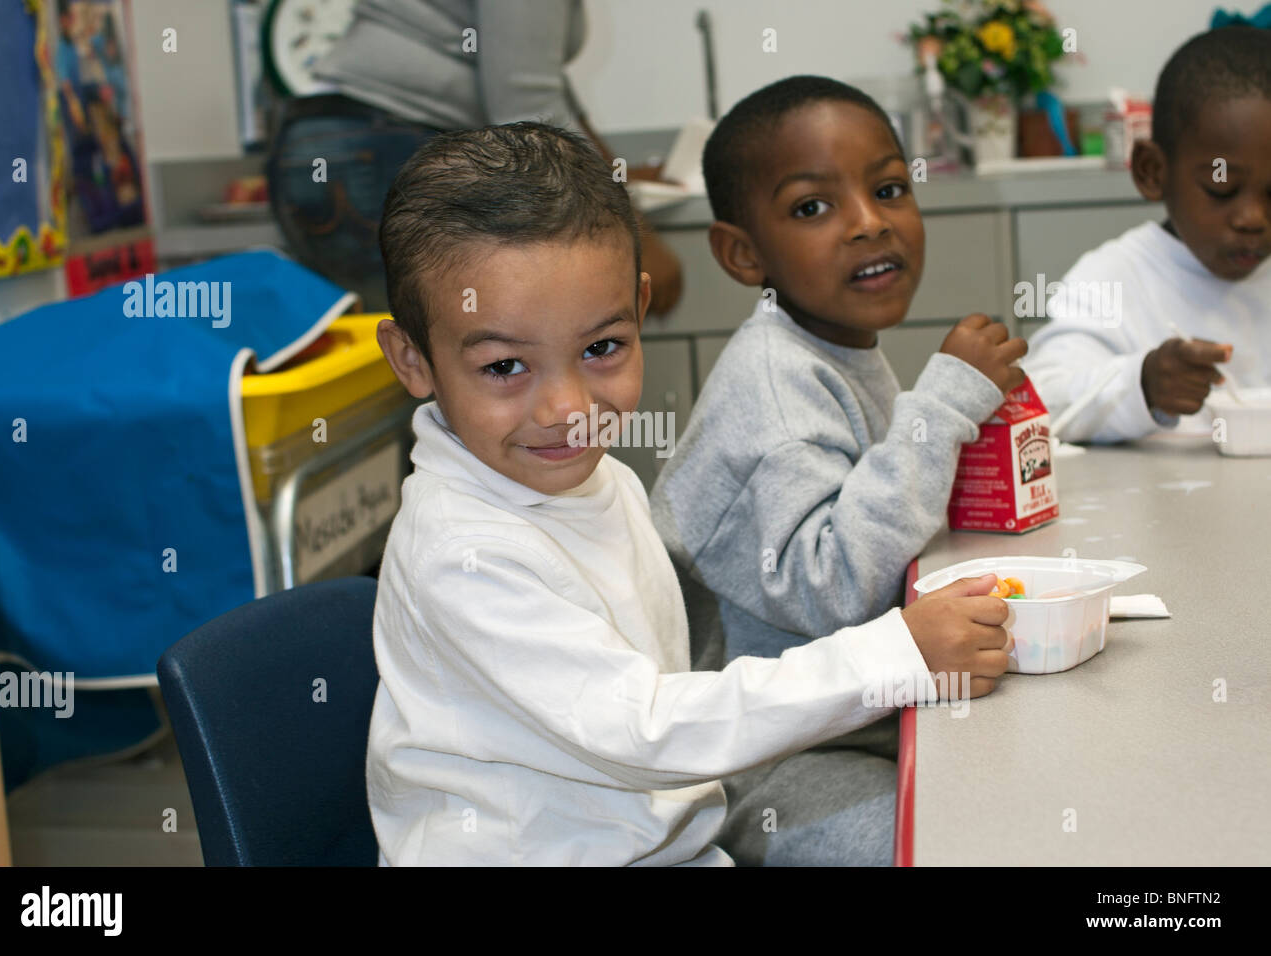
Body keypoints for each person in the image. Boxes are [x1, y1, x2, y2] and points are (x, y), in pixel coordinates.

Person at [366, 121, 1012, 866]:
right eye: (506, 367)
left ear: (639, 310)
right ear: (412, 359)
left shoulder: (592, 476)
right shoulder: (463, 553)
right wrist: (891, 656)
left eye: (601, 349)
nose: (568, 409)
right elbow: (644, 728)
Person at [648, 75, 1026, 864]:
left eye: (889, 188)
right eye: (812, 207)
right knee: (936, 845)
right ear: (742, 252)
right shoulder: (773, 390)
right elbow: (833, 591)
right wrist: (945, 406)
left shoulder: (830, 349)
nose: (868, 224)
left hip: (864, 711)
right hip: (768, 760)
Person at [266, 0, 681, 314]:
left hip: (320, 141)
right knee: (453, 370)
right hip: (387, 152)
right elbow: (525, 105)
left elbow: (542, 86)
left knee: (391, 374)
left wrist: (616, 177)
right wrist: (633, 236)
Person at [1022, 25, 1271, 443]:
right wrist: (1142, 383)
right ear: (1153, 172)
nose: (1252, 219)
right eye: (1221, 189)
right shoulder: (1110, 280)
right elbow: (1041, 399)